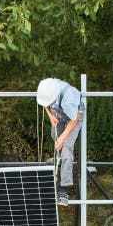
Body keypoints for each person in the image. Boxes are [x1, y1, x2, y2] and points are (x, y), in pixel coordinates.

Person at [36, 78, 84, 206]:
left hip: (74, 117)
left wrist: (63, 137)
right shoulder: (46, 87)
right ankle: (61, 161)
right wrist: (50, 115)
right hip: (59, 115)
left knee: (67, 147)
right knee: (54, 135)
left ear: (55, 96)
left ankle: (64, 188)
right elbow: (44, 104)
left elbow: (75, 118)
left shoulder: (68, 98)